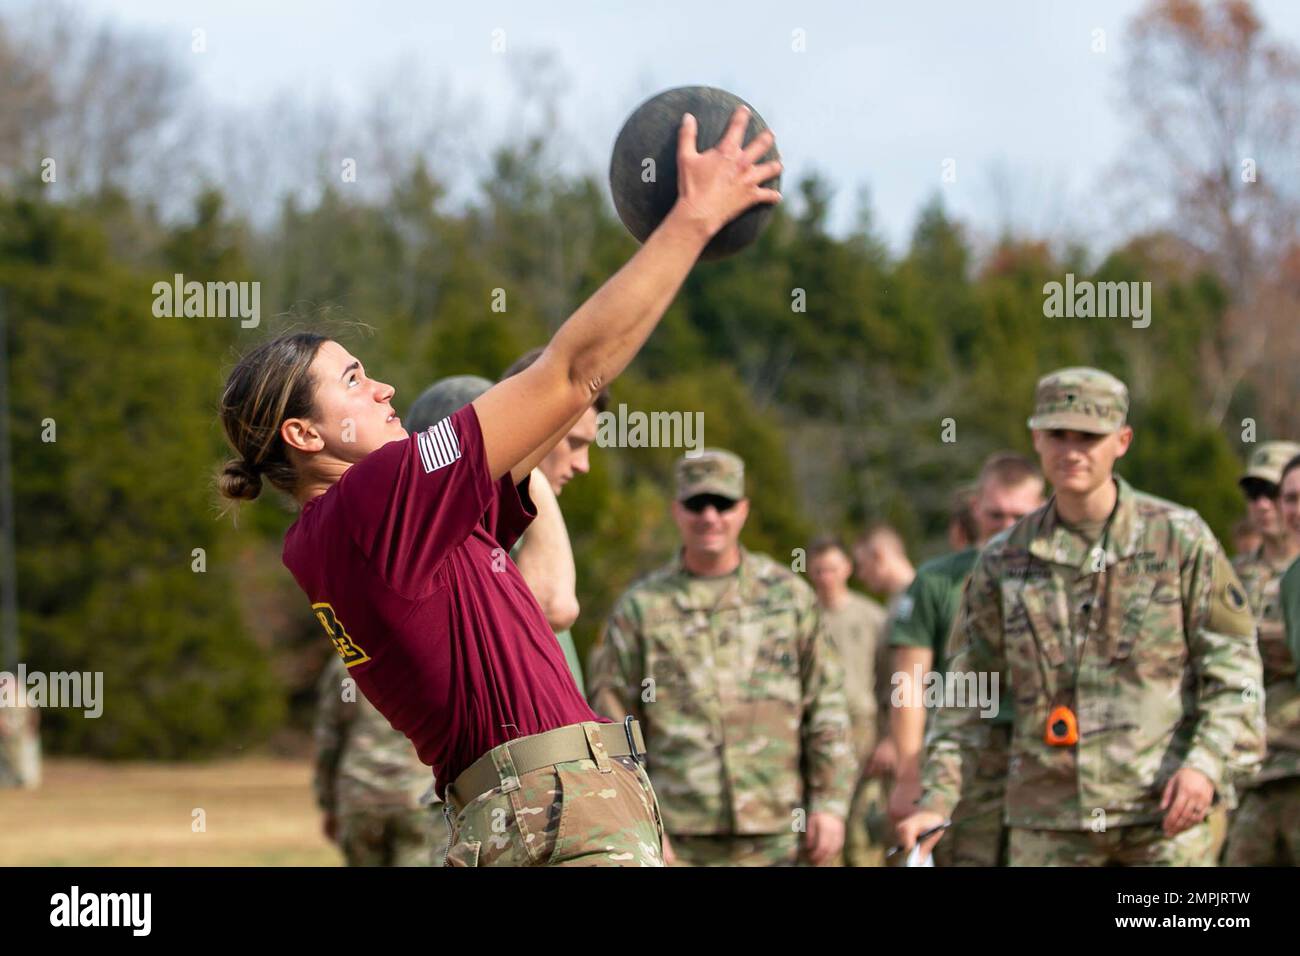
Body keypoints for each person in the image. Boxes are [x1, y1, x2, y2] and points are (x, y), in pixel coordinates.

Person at [216, 104, 782, 867]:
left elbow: (565, 406)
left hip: (539, 810)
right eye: (352, 379)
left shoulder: (358, 531)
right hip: (550, 811)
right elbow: (574, 368)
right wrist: (692, 218)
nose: (384, 388)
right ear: (303, 435)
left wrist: (551, 404)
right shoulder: (375, 500)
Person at [897, 367, 1265, 866]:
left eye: (1089, 437)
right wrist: (936, 799)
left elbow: (1235, 672)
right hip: (1050, 823)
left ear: (1122, 440)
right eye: (1058, 435)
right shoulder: (1004, 560)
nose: (1072, 451)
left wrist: (1205, 766)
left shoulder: (1179, 540)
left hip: (1162, 817)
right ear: (1036, 439)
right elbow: (967, 695)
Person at [586, 449, 853, 866]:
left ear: (743, 510)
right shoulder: (641, 608)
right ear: (677, 511)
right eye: (696, 504)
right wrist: (642, 823)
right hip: (679, 835)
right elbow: (613, 727)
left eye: (722, 503)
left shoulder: (789, 597)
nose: (709, 516)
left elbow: (827, 705)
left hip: (780, 830)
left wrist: (831, 804)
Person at [887, 453, 1044, 866]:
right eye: (996, 514)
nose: (1007, 527)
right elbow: (909, 685)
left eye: (1019, 515)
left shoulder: (1060, 578)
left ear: (1042, 509)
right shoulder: (938, 582)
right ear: (976, 508)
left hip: (1042, 761)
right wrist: (908, 776)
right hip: (961, 764)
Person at [499, 347, 612, 694]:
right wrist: (530, 473)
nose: (583, 465)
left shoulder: (530, 529)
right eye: (574, 443)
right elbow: (555, 606)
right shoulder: (487, 531)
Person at [1225, 450, 1300, 865]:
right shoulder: (1230, 575)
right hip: (1251, 766)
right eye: (1254, 494)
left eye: (1272, 492)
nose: (1263, 505)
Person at [807, 535, 891, 866]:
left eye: (833, 568)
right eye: (819, 569)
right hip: (818, 732)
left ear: (847, 569)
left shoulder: (872, 617)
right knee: (823, 832)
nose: (826, 576)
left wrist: (889, 739)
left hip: (864, 730)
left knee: (864, 829)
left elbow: (891, 683)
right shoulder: (804, 617)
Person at [313, 656, 444, 866]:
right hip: (414, 795)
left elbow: (329, 739)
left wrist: (327, 803)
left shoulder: (346, 665)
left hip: (360, 793)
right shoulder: (418, 655)